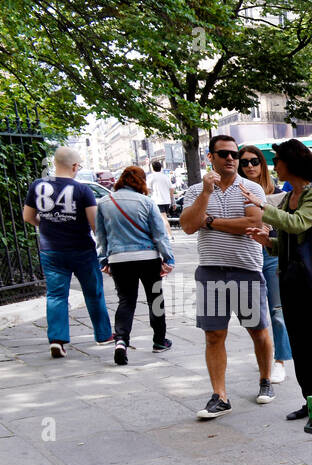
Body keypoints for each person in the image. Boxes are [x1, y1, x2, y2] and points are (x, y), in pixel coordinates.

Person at [179, 134, 275, 419]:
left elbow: (252, 223)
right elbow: (187, 226)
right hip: (210, 270)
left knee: (257, 329)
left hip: (246, 268)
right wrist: (206, 195)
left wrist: (210, 222)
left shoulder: (251, 188)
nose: (232, 159)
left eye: (234, 154)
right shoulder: (196, 191)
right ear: (211, 158)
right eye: (224, 154)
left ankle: (265, 379)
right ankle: (219, 395)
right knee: (213, 334)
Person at [242, 139, 312, 422]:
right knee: (297, 344)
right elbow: (288, 242)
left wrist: (260, 204)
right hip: (291, 280)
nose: (274, 166)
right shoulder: (286, 198)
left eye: (278, 161)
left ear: (292, 163)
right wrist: (267, 242)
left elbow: (297, 224)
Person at [22, 146, 113, 357]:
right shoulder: (82, 190)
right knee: (94, 292)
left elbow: (27, 216)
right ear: (74, 166)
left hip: (50, 250)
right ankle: (103, 335)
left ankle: (57, 339)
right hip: (81, 249)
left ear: (55, 163)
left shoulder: (38, 186)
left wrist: (44, 226)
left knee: (56, 295)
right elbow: (95, 225)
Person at [95, 165, 174, 364]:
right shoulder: (147, 202)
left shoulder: (104, 203)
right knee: (155, 298)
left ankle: (121, 340)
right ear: (141, 182)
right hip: (148, 257)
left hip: (119, 259)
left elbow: (101, 236)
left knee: (126, 301)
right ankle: (159, 341)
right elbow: (159, 234)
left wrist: (103, 260)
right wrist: (168, 258)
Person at [239, 144, 290, 385]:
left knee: (277, 310)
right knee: (253, 314)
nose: (249, 166)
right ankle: (265, 354)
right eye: (244, 162)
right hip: (246, 256)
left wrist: (270, 228)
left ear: (262, 164)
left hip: (270, 254)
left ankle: (280, 360)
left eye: (254, 161)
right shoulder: (235, 193)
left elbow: (288, 227)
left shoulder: (278, 193)